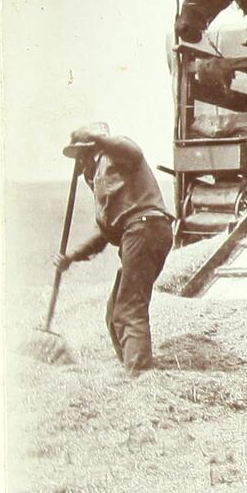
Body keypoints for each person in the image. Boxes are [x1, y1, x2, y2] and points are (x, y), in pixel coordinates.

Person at [54, 123, 174, 374]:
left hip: (143, 230)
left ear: (88, 152)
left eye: (79, 157)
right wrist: (72, 257)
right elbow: (105, 232)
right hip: (143, 233)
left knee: (129, 308)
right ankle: (130, 363)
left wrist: (98, 139)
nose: (78, 166)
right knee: (115, 311)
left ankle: (139, 374)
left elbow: (133, 150)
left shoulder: (114, 156)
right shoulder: (99, 176)